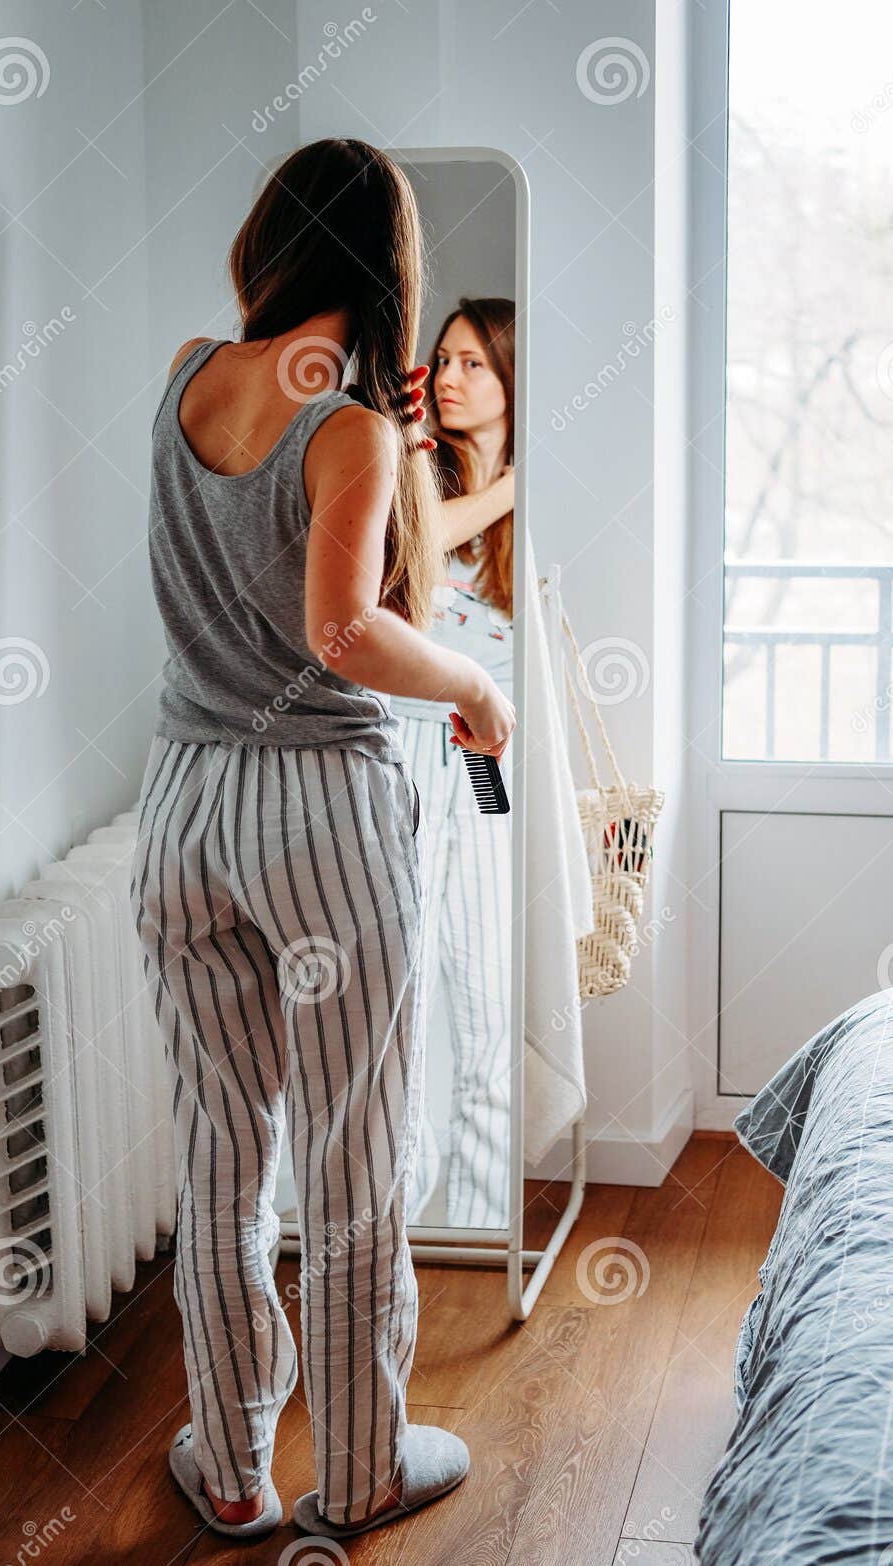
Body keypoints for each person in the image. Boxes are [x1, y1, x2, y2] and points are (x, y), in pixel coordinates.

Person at [130, 139, 514, 1540]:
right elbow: (341, 628)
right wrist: (475, 684)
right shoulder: (348, 429)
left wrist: (383, 439)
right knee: (350, 1151)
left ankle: (228, 1468)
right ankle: (355, 1469)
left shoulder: (188, 374)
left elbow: (256, 539)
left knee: (219, 1147)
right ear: (389, 272)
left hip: (182, 808)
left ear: (268, 241)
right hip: (316, 823)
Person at [391, 299, 517, 1229]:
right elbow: (418, 544)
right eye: (442, 359)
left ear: (510, 377)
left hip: (482, 763)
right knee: (400, 997)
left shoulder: (532, 501)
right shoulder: (417, 470)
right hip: (398, 753)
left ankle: (477, 1217)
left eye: (473, 363)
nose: (449, 376)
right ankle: (401, 1212)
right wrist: (520, 482)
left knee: (485, 989)